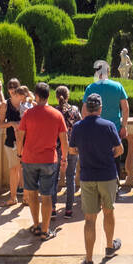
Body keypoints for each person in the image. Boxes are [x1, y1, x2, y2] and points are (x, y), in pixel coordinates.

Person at [70, 92, 123, 264]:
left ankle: (89, 260)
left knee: (89, 219)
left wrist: (85, 153)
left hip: (87, 176)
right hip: (107, 175)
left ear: (85, 108)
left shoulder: (78, 127)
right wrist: (107, 156)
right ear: (100, 108)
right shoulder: (108, 126)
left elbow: (71, 150)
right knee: (109, 211)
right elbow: (119, 149)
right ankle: (109, 247)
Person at [16, 82, 69, 239]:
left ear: (36, 96)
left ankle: (37, 226)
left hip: (29, 159)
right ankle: (45, 231)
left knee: (32, 195)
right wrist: (64, 158)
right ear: (48, 96)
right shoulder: (57, 115)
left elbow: (20, 137)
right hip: (49, 160)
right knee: (47, 196)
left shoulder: (28, 114)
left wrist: (19, 154)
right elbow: (64, 141)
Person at [84, 60, 130, 177]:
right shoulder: (118, 86)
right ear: (108, 72)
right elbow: (125, 108)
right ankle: (115, 189)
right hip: (114, 129)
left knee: (95, 160)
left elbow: (84, 111)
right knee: (115, 161)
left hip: (94, 130)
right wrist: (124, 126)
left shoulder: (91, 88)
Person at [53, 85, 81, 218]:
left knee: (53, 178)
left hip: (57, 148)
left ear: (56, 97)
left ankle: (52, 209)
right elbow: (81, 126)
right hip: (72, 147)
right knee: (71, 178)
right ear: (68, 96)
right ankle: (68, 210)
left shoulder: (54, 111)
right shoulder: (75, 110)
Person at [3, 80, 26, 203]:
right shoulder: (5, 104)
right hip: (11, 141)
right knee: (14, 169)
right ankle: (13, 197)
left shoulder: (26, 102)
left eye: (14, 87)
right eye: (10, 87)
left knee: (25, 168)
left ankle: (26, 197)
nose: (12, 89)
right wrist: (12, 123)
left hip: (26, 141)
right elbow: (1, 124)